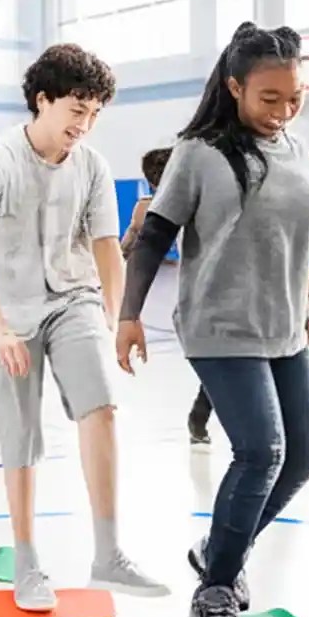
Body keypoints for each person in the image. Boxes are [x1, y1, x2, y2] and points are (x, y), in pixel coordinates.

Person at [118, 22, 309, 617]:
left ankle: (221, 547)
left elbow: (291, 235)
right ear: (234, 86)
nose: (284, 111)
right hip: (219, 325)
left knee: (307, 454)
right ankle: (211, 594)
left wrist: (301, 300)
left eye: (294, 98)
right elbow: (154, 235)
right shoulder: (199, 152)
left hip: (282, 324)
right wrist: (128, 315)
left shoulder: (298, 146)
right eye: (269, 98)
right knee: (260, 451)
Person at [0, 43, 169, 612]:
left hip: (70, 298)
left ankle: (108, 553)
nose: (86, 123)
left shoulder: (92, 166)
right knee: (21, 436)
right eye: (77, 108)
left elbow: (105, 246)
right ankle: (26, 562)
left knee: (101, 406)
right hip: (4, 313)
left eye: (96, 112)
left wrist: (120, 317)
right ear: (42, 101)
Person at [121, 147, 213, 449]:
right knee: (222, 364)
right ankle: (199, 418)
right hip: (197, 299)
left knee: (229, 365)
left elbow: (129, 245)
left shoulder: (206, 196)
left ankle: (199, 418)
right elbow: (132, 247)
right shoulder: (151, 207)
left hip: (225, 291)